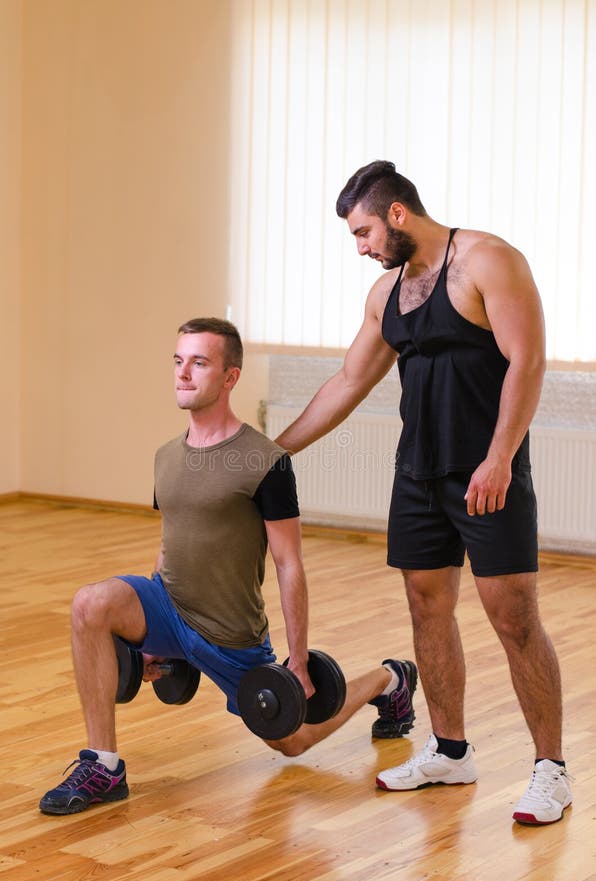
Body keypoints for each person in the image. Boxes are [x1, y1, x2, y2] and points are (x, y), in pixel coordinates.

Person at [275, 161, 572, 826]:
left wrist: (500, 457)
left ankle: (550, 770)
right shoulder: (387, 295)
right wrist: (271, 453)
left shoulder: (488, 262)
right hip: (418, 474)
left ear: (397, 214)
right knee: (426, 606)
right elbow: (348, 382)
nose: (361, 247)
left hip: (487, 471)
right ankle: (450, 750)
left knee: (514, 618)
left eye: (363, 232)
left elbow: (527, 361)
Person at [39, 316, 417, 816]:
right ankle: (104, 766)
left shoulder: (265, 462)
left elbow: (289, 565)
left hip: (229, 634)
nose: (183, 374)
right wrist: (150, 639)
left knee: (294, 742)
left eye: (199, 362)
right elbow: (170, 541)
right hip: (169, 607)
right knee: (91, 603)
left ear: (230, 377)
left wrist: (299, 659)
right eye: (178, 361)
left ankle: (389, 679)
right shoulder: (165, 457)